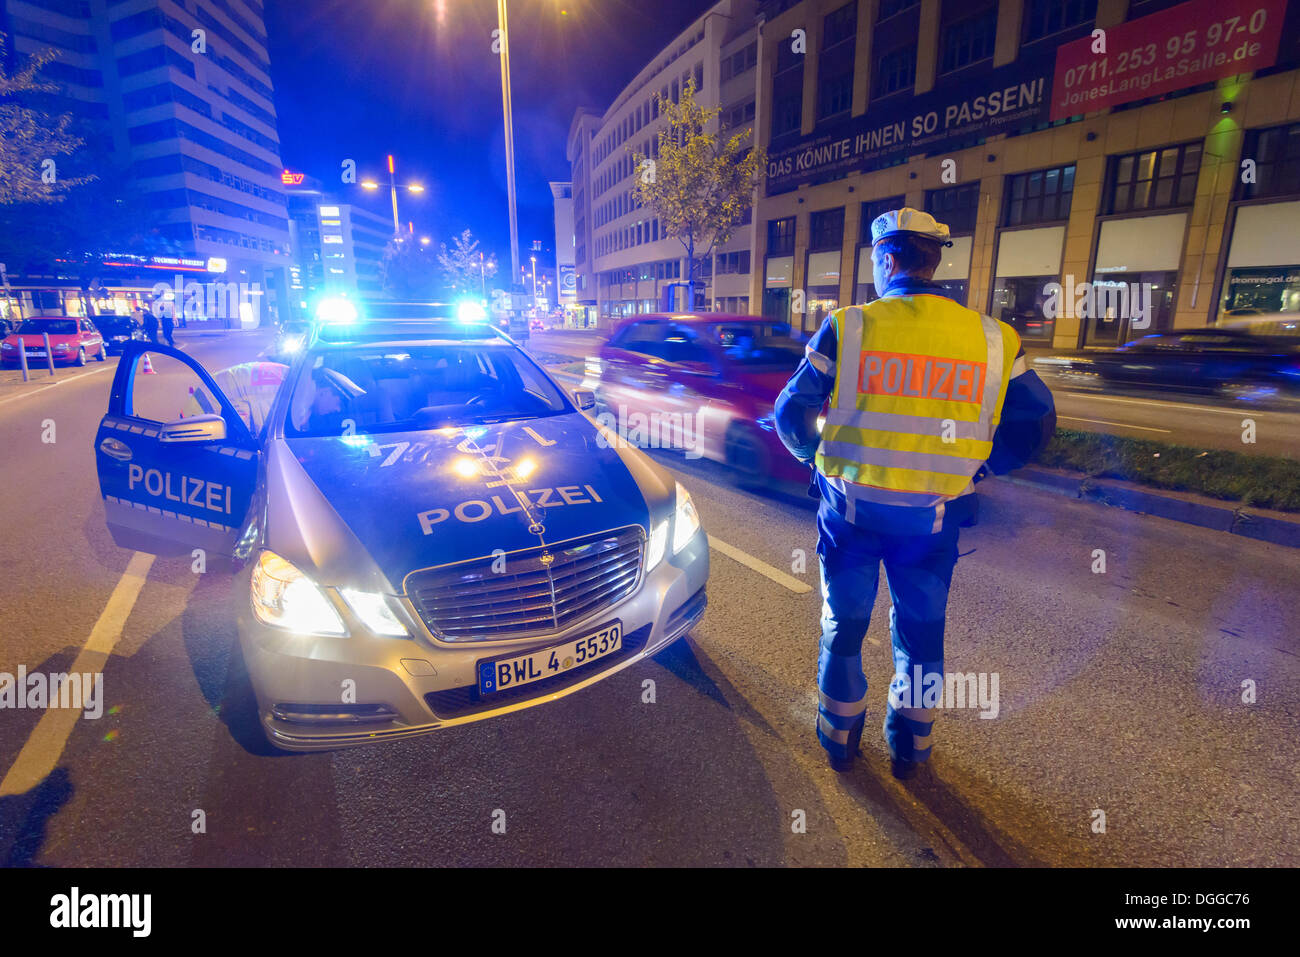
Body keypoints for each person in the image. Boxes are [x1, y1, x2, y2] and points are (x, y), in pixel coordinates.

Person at [774, 207, 1056, 780]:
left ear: (886, 259)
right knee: (921, 634)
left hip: (851, 515)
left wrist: (814, 460)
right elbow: (1038, 419)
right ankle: (912, 748)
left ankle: (840, 740)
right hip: (932, 522)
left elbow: (790, 412)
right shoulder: (993, 337)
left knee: (844, 628)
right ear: (934, 262)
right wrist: (982, 470)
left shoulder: (850, 325)